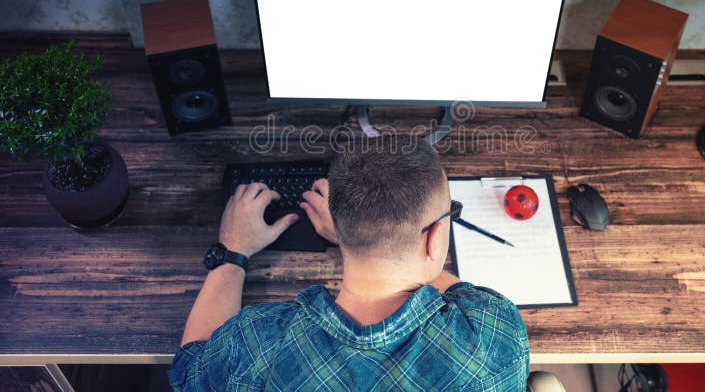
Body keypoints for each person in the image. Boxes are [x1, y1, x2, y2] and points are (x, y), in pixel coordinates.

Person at [168, 137, 530, 390]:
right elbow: (444, 283)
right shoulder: (492, 330)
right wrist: (360, 239)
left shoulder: (258, 343)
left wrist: (232, 251)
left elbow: (188, 372)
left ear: (339, 225)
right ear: (435, 237)